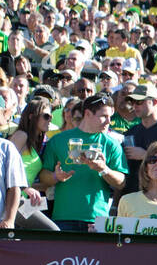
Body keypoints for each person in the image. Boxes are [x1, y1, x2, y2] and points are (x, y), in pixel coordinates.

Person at [39, 93, 127, 232]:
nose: (109, 121)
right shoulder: (58, 140)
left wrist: (104, 169)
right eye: (103, 116)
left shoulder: (112, 144)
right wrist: (56, 177)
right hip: (63, 217)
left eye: (110, 116)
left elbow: (121, 182)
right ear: (87, 113)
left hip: (96, 219)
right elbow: (44, 174)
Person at [7, 99, 58, 229]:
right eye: (46, 116)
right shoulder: (21, 135)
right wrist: (24, 188)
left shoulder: (35, 142)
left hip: (22, 199)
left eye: (51, 116)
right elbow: (5, 166)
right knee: (51, 231)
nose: (50, 120)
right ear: (32, 116)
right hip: (12, 199)